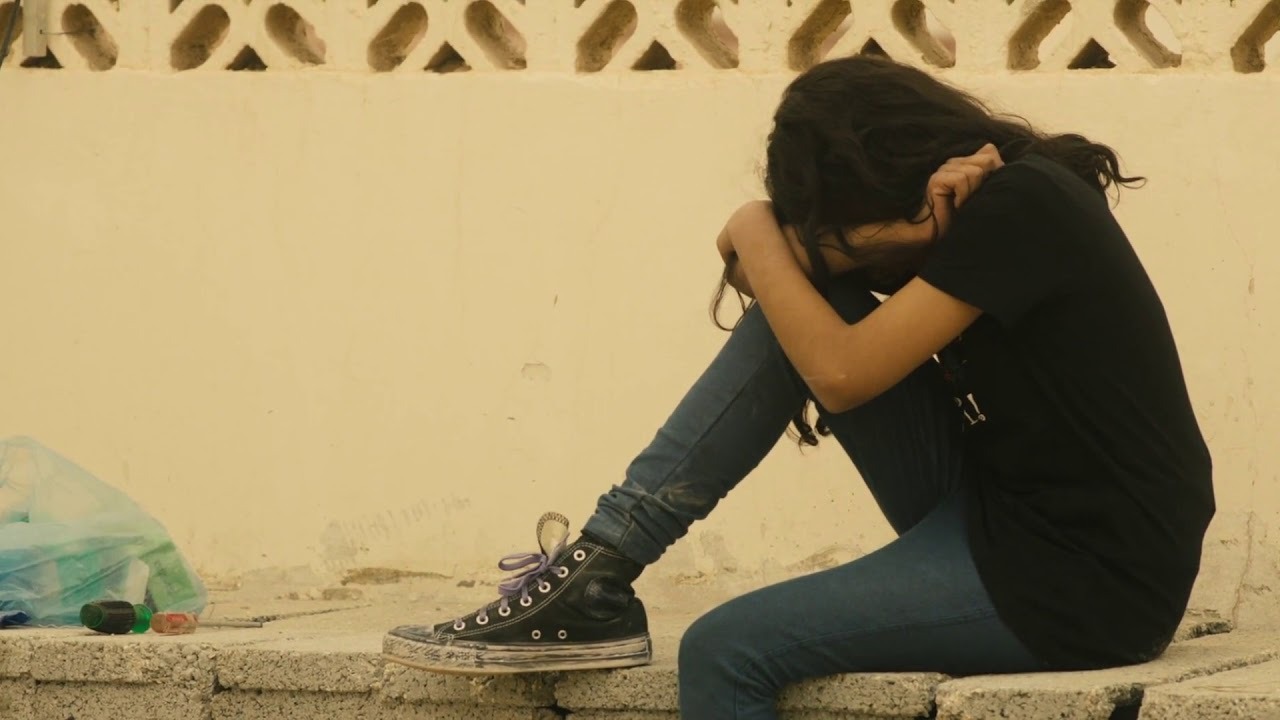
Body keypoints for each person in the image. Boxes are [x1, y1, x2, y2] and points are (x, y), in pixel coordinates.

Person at [383, 55, 1215, 719]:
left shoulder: (1024, 202)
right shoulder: (981, 206)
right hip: (1000, 511)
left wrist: (752, 221)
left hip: (1085, 580)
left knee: (724, 650)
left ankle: (597, 574)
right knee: (801, 307)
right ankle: (596, 575)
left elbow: (843, 376)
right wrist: (845, 242)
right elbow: (794, 297)